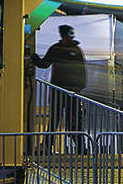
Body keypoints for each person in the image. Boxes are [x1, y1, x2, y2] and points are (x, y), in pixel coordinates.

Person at [31, 22, 89, 153]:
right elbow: (83, 71)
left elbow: (44, 64)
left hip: (59, 90)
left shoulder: (56, 49)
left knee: (56, 119)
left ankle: (47, 146)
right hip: (72, 92)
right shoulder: (76, 50)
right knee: (73, 120)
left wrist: (33, 57)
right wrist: (79, 88)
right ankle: (81, 148)